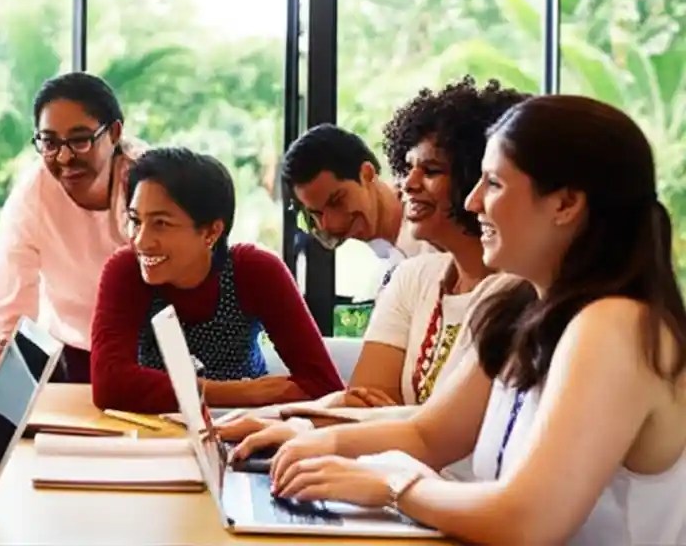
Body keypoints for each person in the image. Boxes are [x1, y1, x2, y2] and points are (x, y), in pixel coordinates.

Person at [236, 96, 686, 545]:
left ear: (565, 203)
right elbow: (429, 433)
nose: (472, 202)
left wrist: (395, 488)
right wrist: (308, 441)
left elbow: (527, 520)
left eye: (493, 183)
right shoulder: (521, 304)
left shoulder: (616, 326)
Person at [222, 79, 526, 449]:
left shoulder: (522, 292)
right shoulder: (411, 276)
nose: (407, 183)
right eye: (408, 167)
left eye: (431, 171)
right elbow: (364, 401)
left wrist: (306, 424)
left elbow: (440, 429)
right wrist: (309, 418)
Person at [90, 147, 343, 413]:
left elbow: (324, 385)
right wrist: (241, 392)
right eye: (135, 220)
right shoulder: (126, 270)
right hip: (159, 429)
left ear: (211, 231)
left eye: (161, 224)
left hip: (249, 428)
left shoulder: (254, 270)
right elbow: (110, 385)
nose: (140, 241)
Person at [0, 73, 144, 403]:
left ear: (115, 132)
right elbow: (13, 301)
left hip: (150, 353)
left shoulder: (146, 183)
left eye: (80, 140)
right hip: (76, 352)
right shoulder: (32, 197)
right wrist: (0, 375)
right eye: (49, 143)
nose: (64, 157)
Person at [281, 123, 422, 290]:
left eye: (337, 201)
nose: (330, 224)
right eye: (317, 214)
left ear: (367, 174)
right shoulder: (376, 271)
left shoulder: (433, 236)